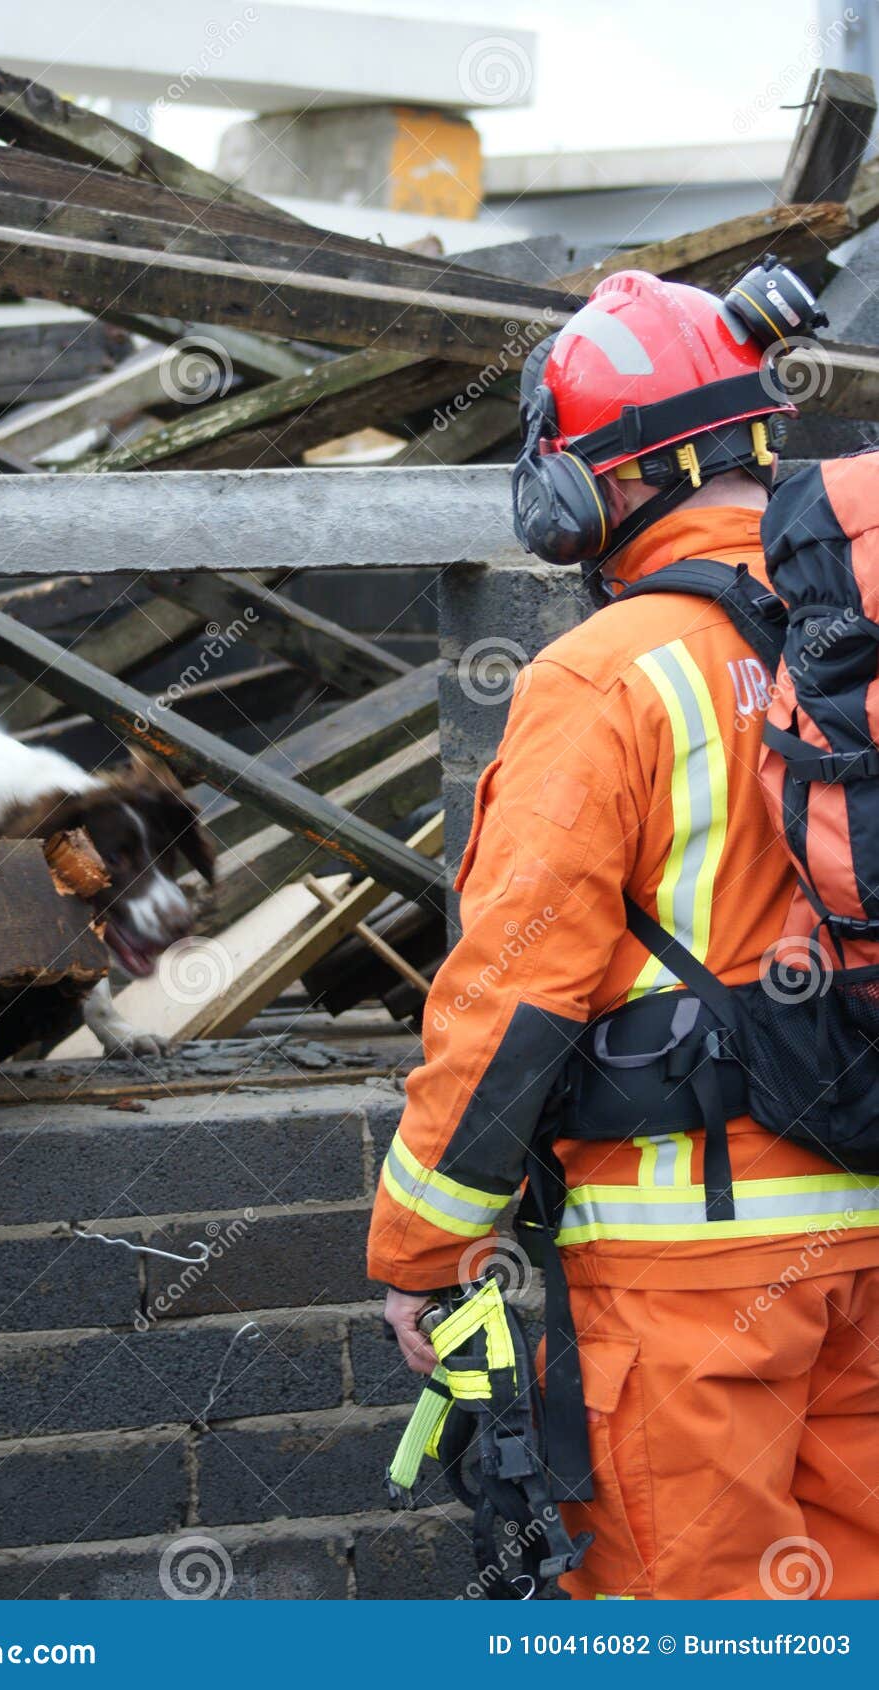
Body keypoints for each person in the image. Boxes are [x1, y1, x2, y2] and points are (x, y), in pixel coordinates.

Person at [368, 266, 879, 1600]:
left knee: (691, 1626)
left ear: (593, 484)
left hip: (695, 1263)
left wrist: (426, 1248)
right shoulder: (856, 639)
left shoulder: (610, 676)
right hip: (865, 1239)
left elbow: (515, 988)